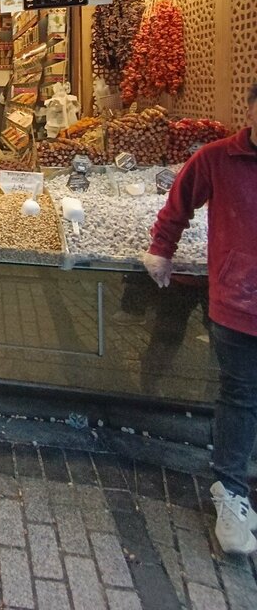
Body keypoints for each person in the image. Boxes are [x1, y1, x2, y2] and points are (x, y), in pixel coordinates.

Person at [144, 83, 257, 555]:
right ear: (250, 108)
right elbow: (178, 203)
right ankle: (231, 494)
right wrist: (160, 251)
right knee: (240, 396)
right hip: (238, 303)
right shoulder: (216, 158)